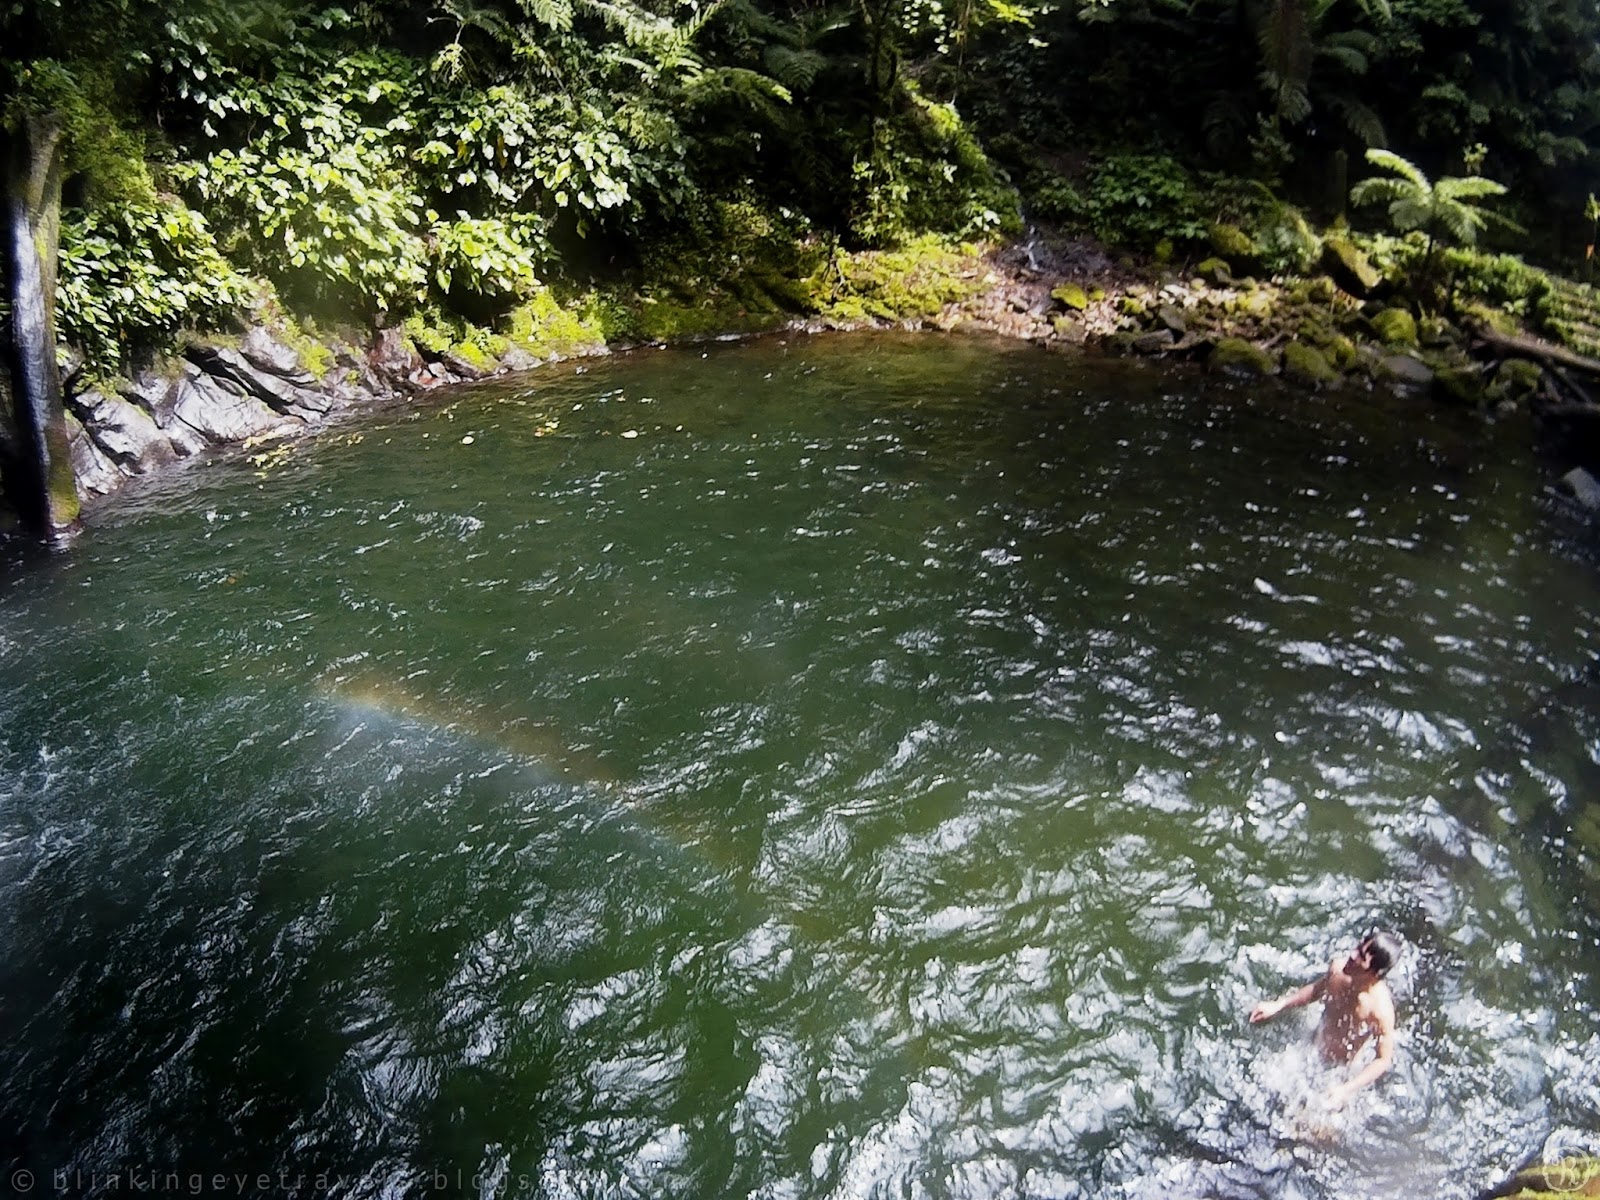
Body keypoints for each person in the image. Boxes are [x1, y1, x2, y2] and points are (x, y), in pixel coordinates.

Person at [1248, 930, 1402, 1109]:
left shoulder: (1380, 1011)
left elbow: (1382, 1059)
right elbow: (1317, 990)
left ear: (1375, 974)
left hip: (1340, 1071)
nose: (1352, 955)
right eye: (1358, 947)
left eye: (1361, 956)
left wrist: (1346, 1089)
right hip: (1312, 1048)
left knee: (1308, 1122)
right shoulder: (1338, 970)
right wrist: (1279, 1004)